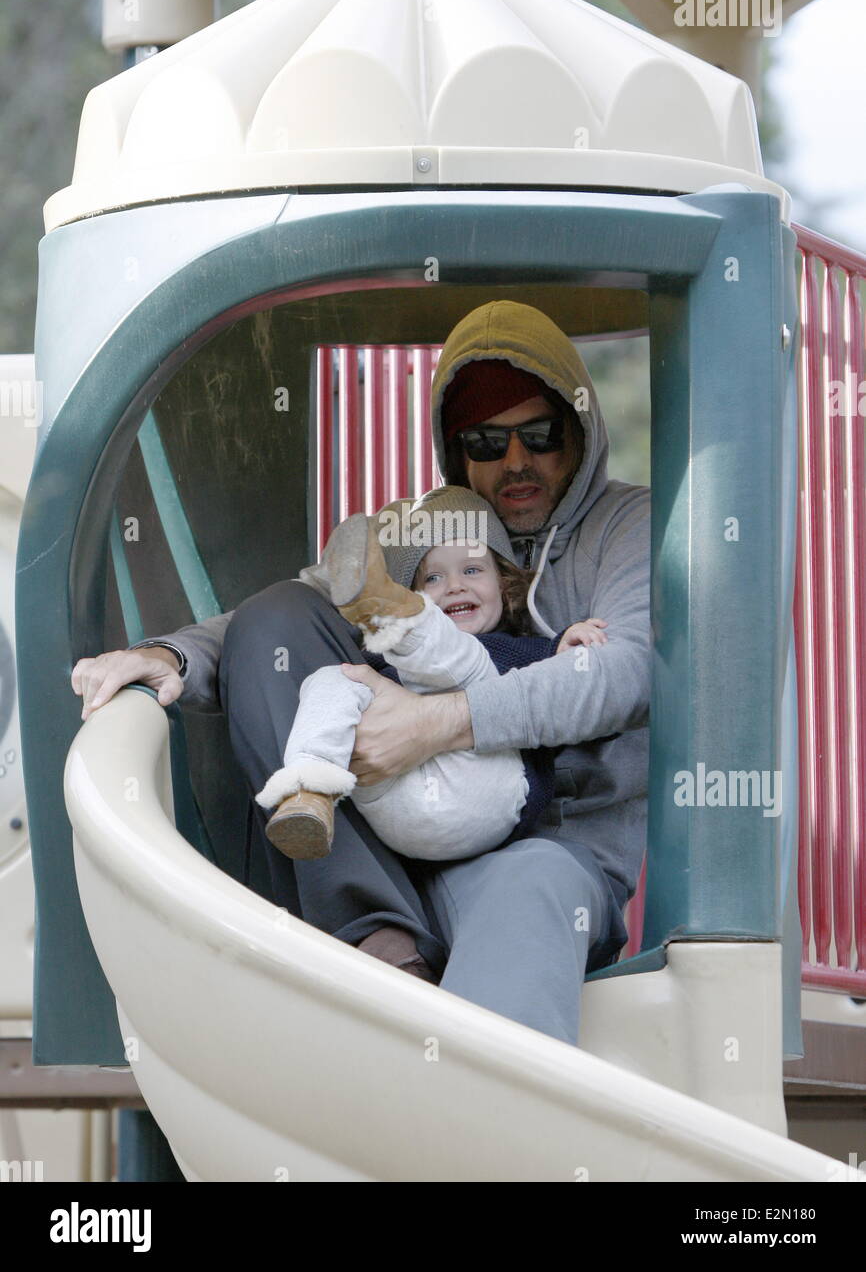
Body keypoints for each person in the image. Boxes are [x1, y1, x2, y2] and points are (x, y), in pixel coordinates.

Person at [71, 300, 651, 1044]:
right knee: (278, 616)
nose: (515, 462)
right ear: (454, 451)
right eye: (484, 439)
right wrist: (168, 654)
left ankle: (481, 1138)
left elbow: (621, 673)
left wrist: (436, 726)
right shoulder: (432, 530)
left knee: (528, 886)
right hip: (399, 850)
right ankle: (378, 943)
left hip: (541, 850)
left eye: (539, 434)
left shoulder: (626, 526)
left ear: (581, 430)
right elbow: (282, 619)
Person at [256, 487, 608, 862]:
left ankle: (391, 613)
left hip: (487, 791)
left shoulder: (517, 650)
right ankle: (309, 791)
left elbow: (580, 704)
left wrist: (566, 649)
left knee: (463, 659)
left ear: (505, 586)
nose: (455, 586)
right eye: (432, 580)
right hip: (397, 803)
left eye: (471, 570)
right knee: (336, 679)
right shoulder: (387, 668)